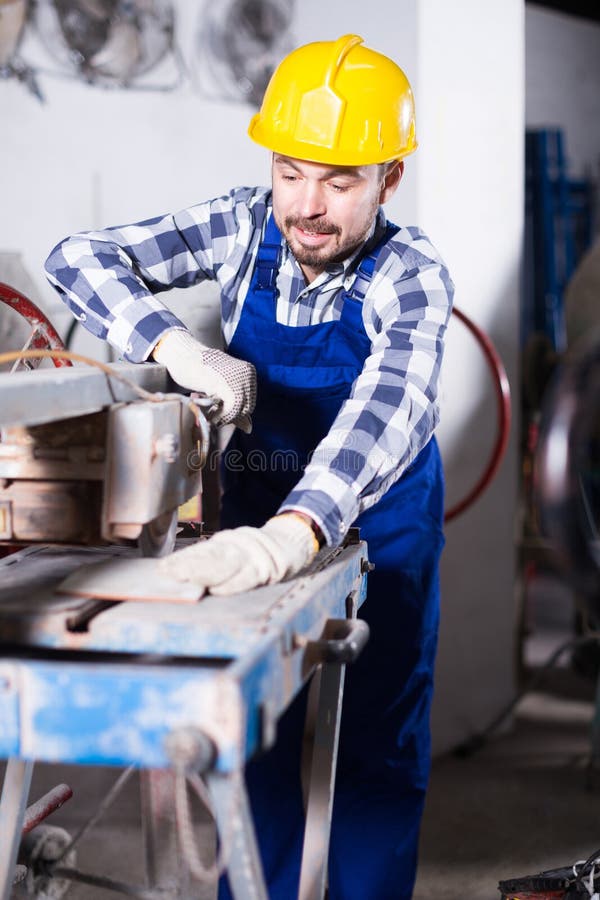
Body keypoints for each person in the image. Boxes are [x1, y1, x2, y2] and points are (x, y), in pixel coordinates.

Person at [45, 33, 454, 899]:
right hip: (254, 529)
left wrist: (296, 531)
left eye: (340, 181)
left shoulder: (409, 273)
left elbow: (389, 406)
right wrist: (174, 350)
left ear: (389, 178)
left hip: (379, 531)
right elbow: (75, 259)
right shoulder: (241, 224)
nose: (307, 205)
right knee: (256, 745)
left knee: (374, 756)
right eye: (291, 172)